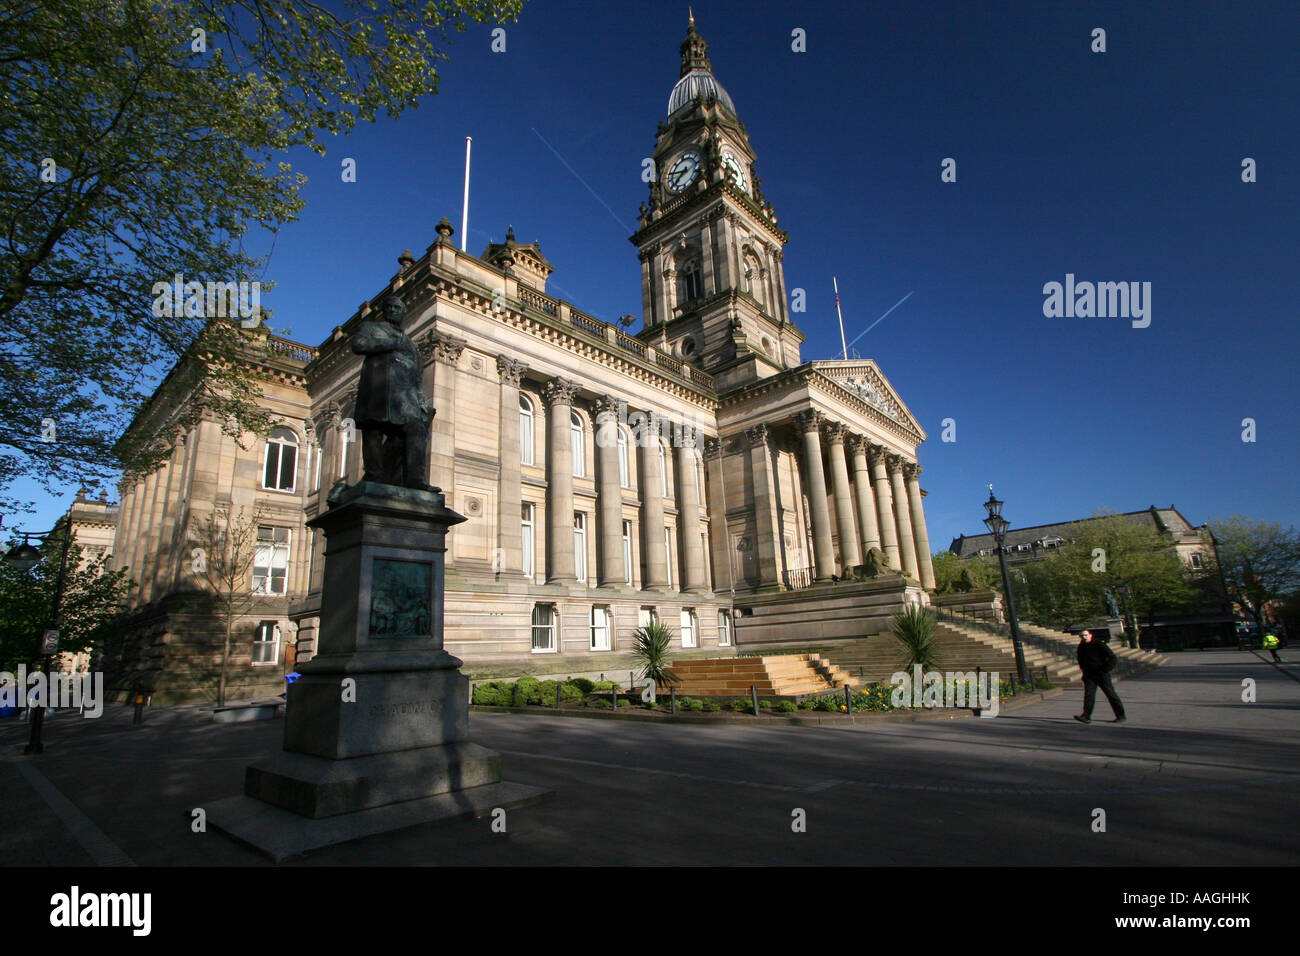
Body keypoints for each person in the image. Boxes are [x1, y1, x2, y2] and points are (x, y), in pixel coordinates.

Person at [1074, 629, 1126, 724]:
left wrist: (1105, 669)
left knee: (1111, 694)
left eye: (1085, 635)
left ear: (1090, 635)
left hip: (1101, 674)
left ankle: (1120, 715)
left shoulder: (1099, 644)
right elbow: (1080, 659)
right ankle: (1086, 716)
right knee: (1089, 695)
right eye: (1082, 636)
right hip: (1089, 675)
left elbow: (1112, 658)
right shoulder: (1081, 646)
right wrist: (1083, 670)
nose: (1084, 637)